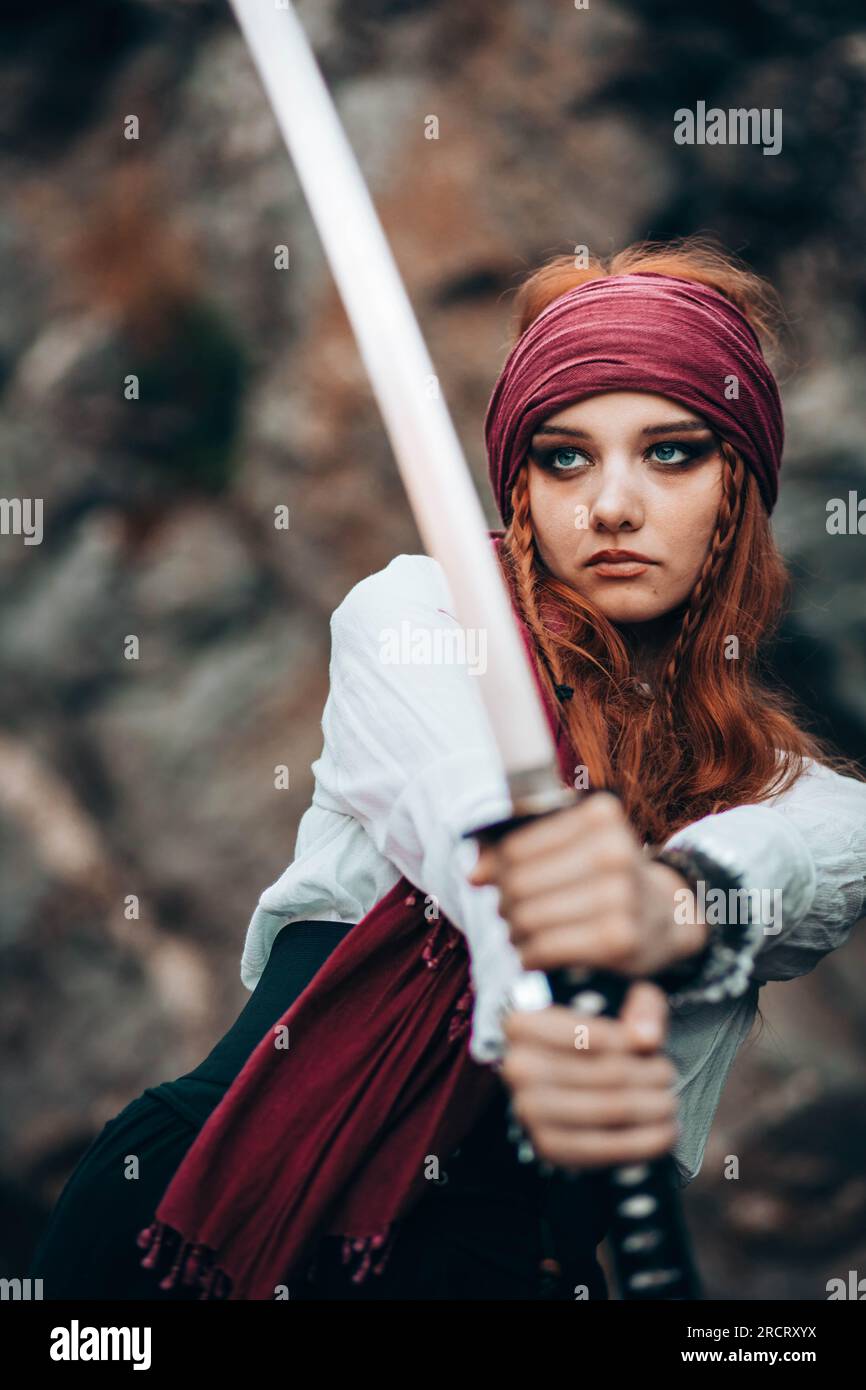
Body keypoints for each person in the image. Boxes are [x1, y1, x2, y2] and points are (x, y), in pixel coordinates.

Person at [29, 238, 866, 1301]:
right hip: (193, 1212)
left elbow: (804, 853)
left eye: (670, 452)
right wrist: (543, 1003)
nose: (611, 504)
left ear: (738, 487)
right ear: (521, 487)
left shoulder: (797, 797)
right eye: (564, 458)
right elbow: (471, 820)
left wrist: (670, 907)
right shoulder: (419, 615)